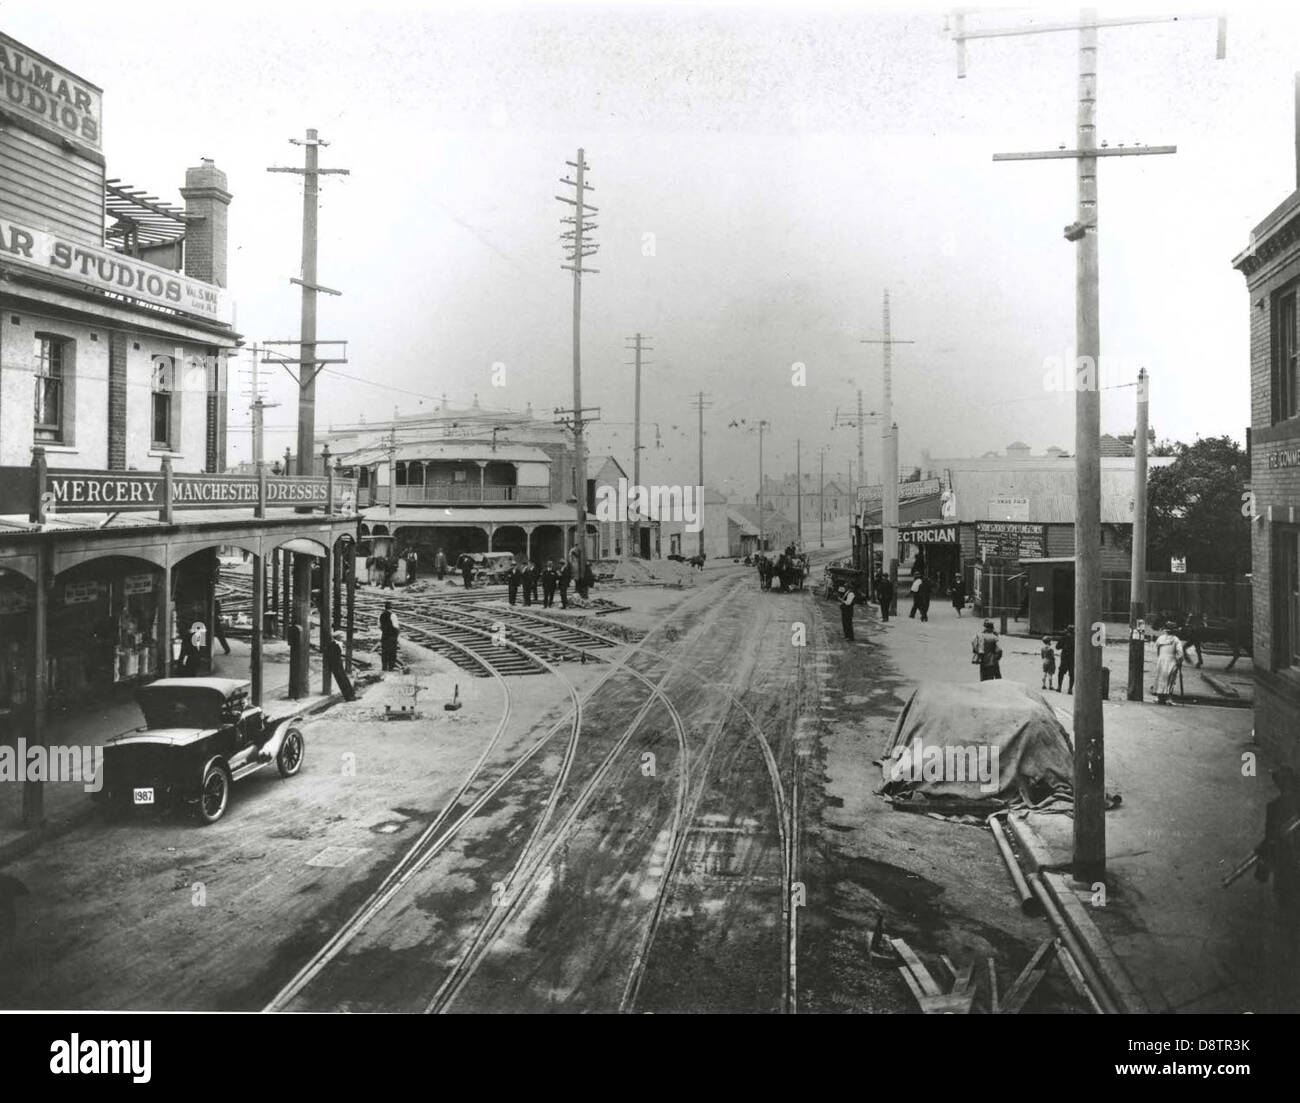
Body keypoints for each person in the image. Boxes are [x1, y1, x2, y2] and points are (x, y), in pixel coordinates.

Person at [1152, 621, 1184, 704]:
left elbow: (1157, 649)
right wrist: (1179, 661)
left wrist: (1160, 657)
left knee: (1160, 678)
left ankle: (1159, 697)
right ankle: (1168, 698)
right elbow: (1180, 653)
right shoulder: (1176, 640)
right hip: (1171, 660)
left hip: (1161, 660)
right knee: (1170, 679)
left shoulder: (1160, 638)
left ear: (1165, 630)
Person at [379, 601, 400, 672]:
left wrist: (384, 630)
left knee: (384, 652)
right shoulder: (393, 615)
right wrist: (397, 633)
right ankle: (391, 668)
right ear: (391, 608)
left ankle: (384, 667)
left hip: (384, 636)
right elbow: (396, 626)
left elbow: (379, 626)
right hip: (392, 637)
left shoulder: (381, 615)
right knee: (392, 652)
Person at [1056, 625, 1075, 694]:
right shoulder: (1076, 638)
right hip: (1072, 658)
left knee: (1061, 672)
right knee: (1072, 674)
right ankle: (1070, 689)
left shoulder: (1064, 637)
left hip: (1064, 657)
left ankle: (1059, 687)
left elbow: (1057, 647)